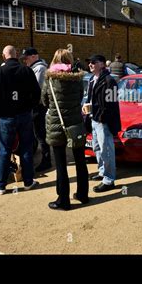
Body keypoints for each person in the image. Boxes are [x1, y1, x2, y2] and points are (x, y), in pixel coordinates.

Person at [0, 45, 40, 194]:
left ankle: (0, 185)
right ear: (16, 55)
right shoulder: (26, 70)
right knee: (26, 148)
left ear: (4, 57)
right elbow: (37, 93)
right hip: (24, 115)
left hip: (7, 116)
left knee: (4, 150)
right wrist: (29, 106)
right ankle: (28, 181)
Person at [42, 49, 89, 210]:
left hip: (57, 124)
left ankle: (63, 200)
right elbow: (80, 97)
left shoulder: (49, 79)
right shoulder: (77, 79)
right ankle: (83, 195)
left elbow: (44, 101)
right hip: (75, 123)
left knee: (61, 163)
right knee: (80, 160)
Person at [84, 54, 121, 193]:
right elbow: (91, 99)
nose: (90, 65)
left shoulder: (109, 81)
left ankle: (109, 179)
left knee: (107, 151)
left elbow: (111, 104)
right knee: (97, 148)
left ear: (102, 64)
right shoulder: (92, 80)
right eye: (89, 62)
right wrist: (87, 109)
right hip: (94, 119)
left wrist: (101, 117)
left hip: (103, 121)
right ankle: (102, 172)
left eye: (93, 62)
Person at [22, 47, 52, 172]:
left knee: (41, 134)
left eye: (26, 58)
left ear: (34, 56)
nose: (25, 61)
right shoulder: (33, 68)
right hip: (35, 106)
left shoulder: (40, 68)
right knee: (38, 134)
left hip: (38, 106)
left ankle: (47, 160)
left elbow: (37, 90)